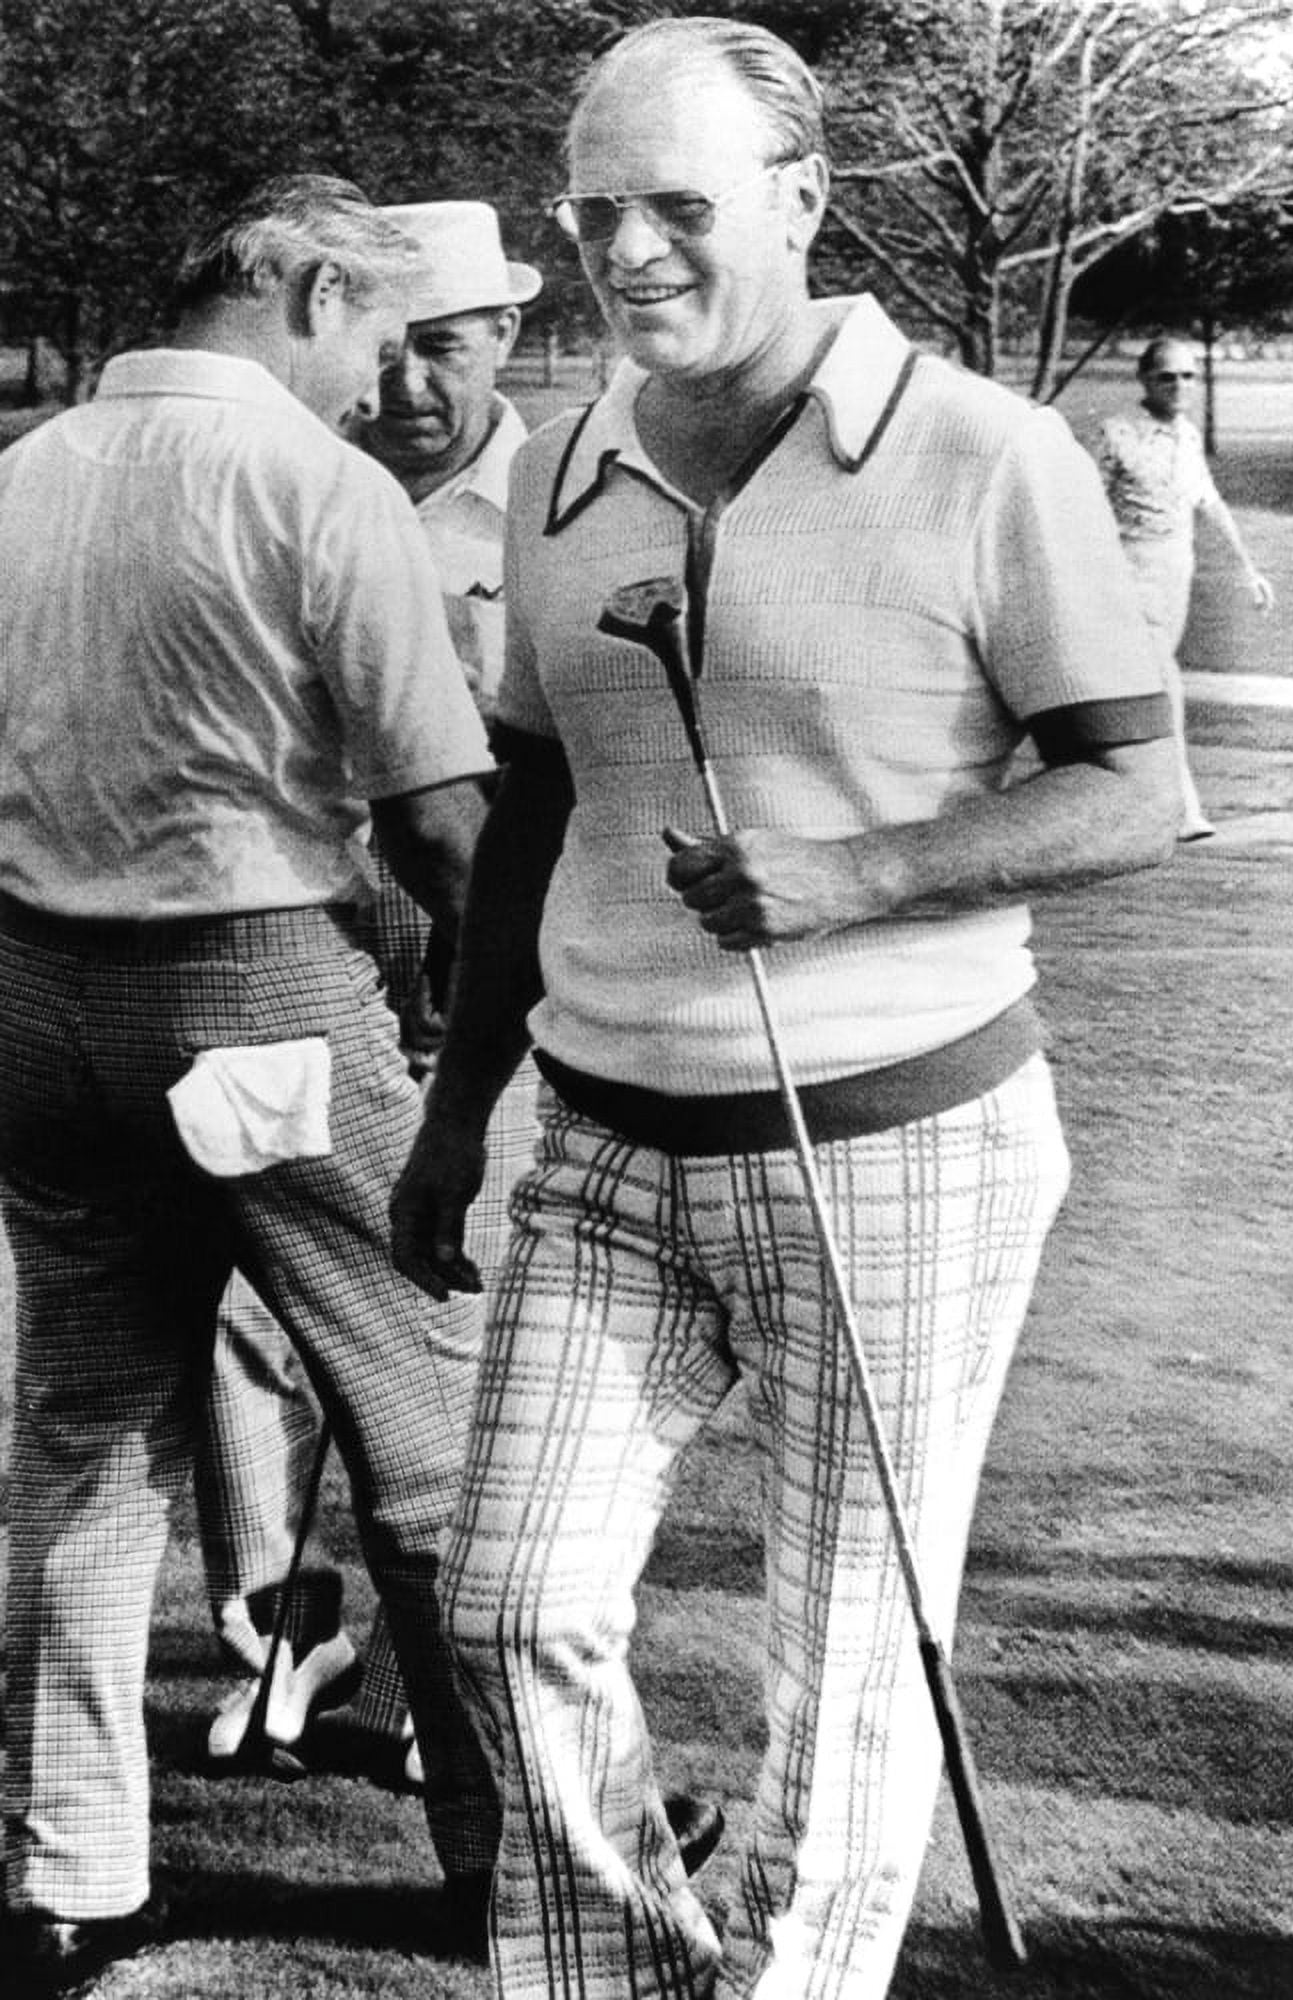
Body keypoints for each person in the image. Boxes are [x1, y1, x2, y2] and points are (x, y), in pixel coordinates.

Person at [391, 17, 1180, 2000]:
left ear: (802, 201)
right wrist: (447, 1109)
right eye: (594, 215)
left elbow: (1135, 789)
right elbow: (536, 813)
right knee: (502, 1599)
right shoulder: (560, 461)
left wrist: (851, 875)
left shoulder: (982, 457)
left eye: (678, 206)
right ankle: (614, 1971)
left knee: (837, 1662)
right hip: (596, 1137)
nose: (627, 254)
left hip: (890, 1131)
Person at [0, 175, 502, 1997]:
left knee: (82, 1447)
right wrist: (518, 1009)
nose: (382, 382)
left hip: (36, 1005)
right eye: (371, 333)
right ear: (295, 289)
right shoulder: (318, 486)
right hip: (261, 991)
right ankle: (511, 1858)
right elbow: (444, 824)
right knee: (434, 1437)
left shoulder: (24, 469)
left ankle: (74, 1878)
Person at [195, 198, 545, 1793]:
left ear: (506, 340)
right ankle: (279, 1627)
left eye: (446, 348)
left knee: (466, 1309)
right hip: (306, 947)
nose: (404, 384)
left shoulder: (558, 497)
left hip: (495, 955)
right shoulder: (270, 480)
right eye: (385, 348)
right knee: (254, 1325)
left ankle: (442, 1686)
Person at [1098, 335, 1275, 841]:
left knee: (1145, 686)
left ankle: (1133, 799)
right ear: (1145, 380)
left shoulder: (1189, 437)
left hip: (1177, 573)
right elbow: (1083, 508)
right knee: (1164, 682)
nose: (1178, 386)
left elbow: (1209, 502)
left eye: (1187, 376)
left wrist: (1248, 568)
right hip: (1129, 574)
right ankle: (1183, 807)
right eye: (1166, 376)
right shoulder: (1116, 434)